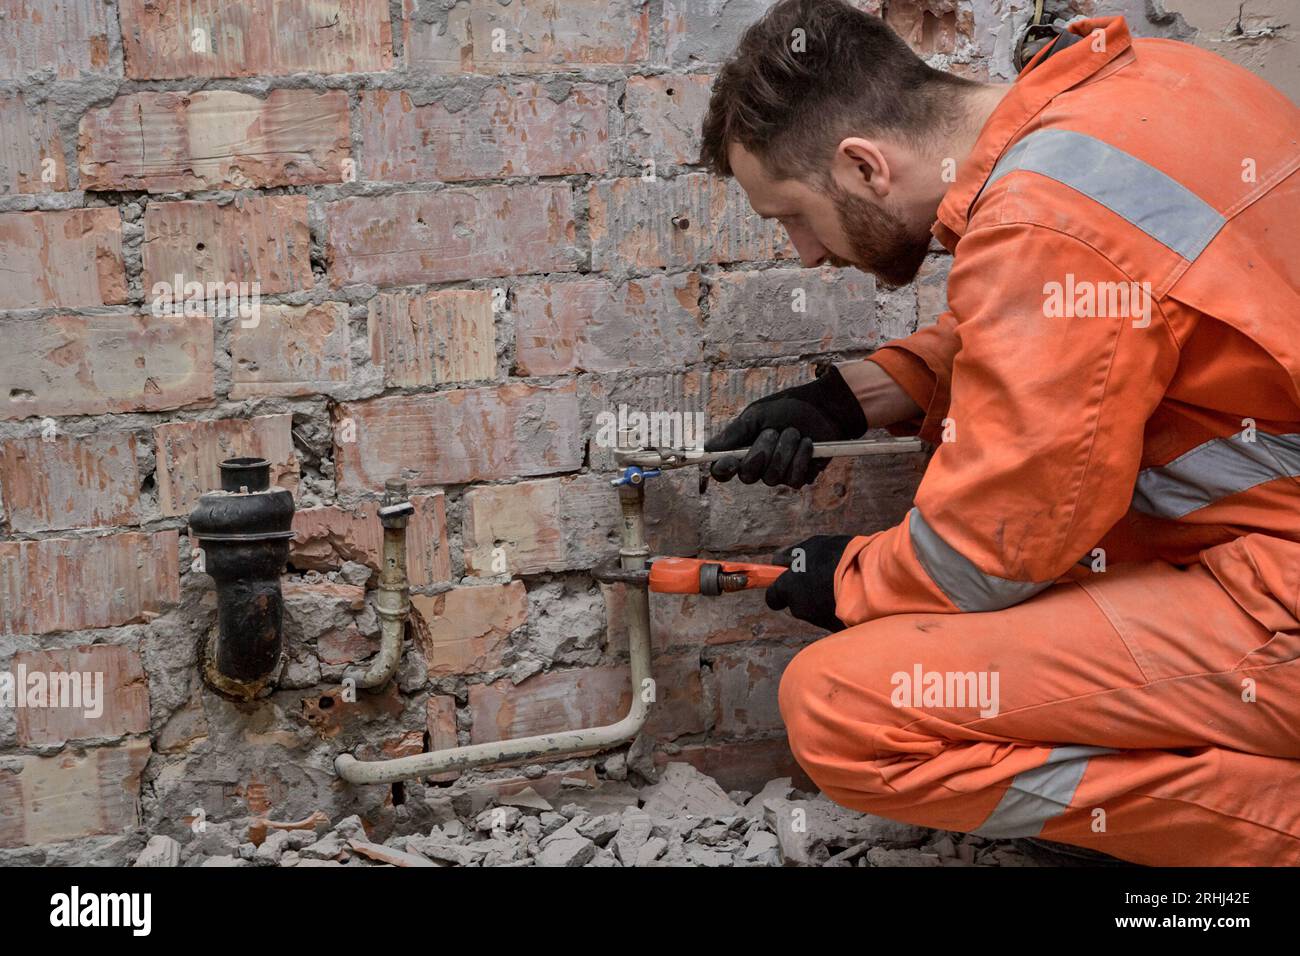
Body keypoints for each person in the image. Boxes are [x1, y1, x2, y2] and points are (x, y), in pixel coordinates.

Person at [698, 0, 1300, 865]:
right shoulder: (1144, 90)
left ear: (864, 165)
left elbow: (987, 557)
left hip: (1275, 606)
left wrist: (850, 577)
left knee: (840, 710)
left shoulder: (1041, 222)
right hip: (1264, 554)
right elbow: (1091, 309)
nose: (804, 254)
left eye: (790, 215)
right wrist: (859, 394)